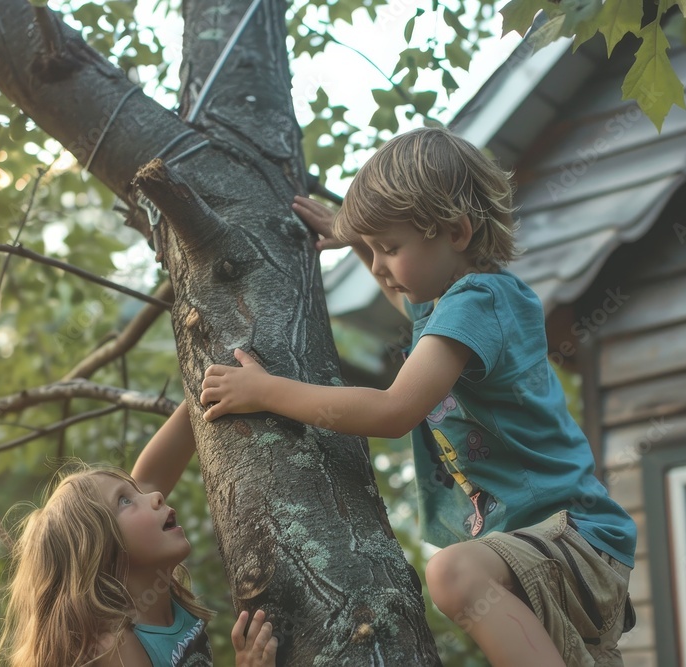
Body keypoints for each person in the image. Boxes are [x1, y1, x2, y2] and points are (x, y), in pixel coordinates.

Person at [198, 127, 637, 667]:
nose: (381, 267)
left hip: (569, 540)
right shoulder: (445, 303)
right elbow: (403, 291)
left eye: (392, 247)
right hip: (539, 551)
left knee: (453, 574)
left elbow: (394, 411)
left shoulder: (478, 301)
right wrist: (360, 238)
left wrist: (266, 390)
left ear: (456, 231)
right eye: (377, 250)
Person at [0, 401, 278, 667]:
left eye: (137, 492)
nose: (155, 496)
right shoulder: (114, 649)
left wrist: (211, 388)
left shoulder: (156, 594)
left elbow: (153, 474)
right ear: (100, 551)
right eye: (125, 500)